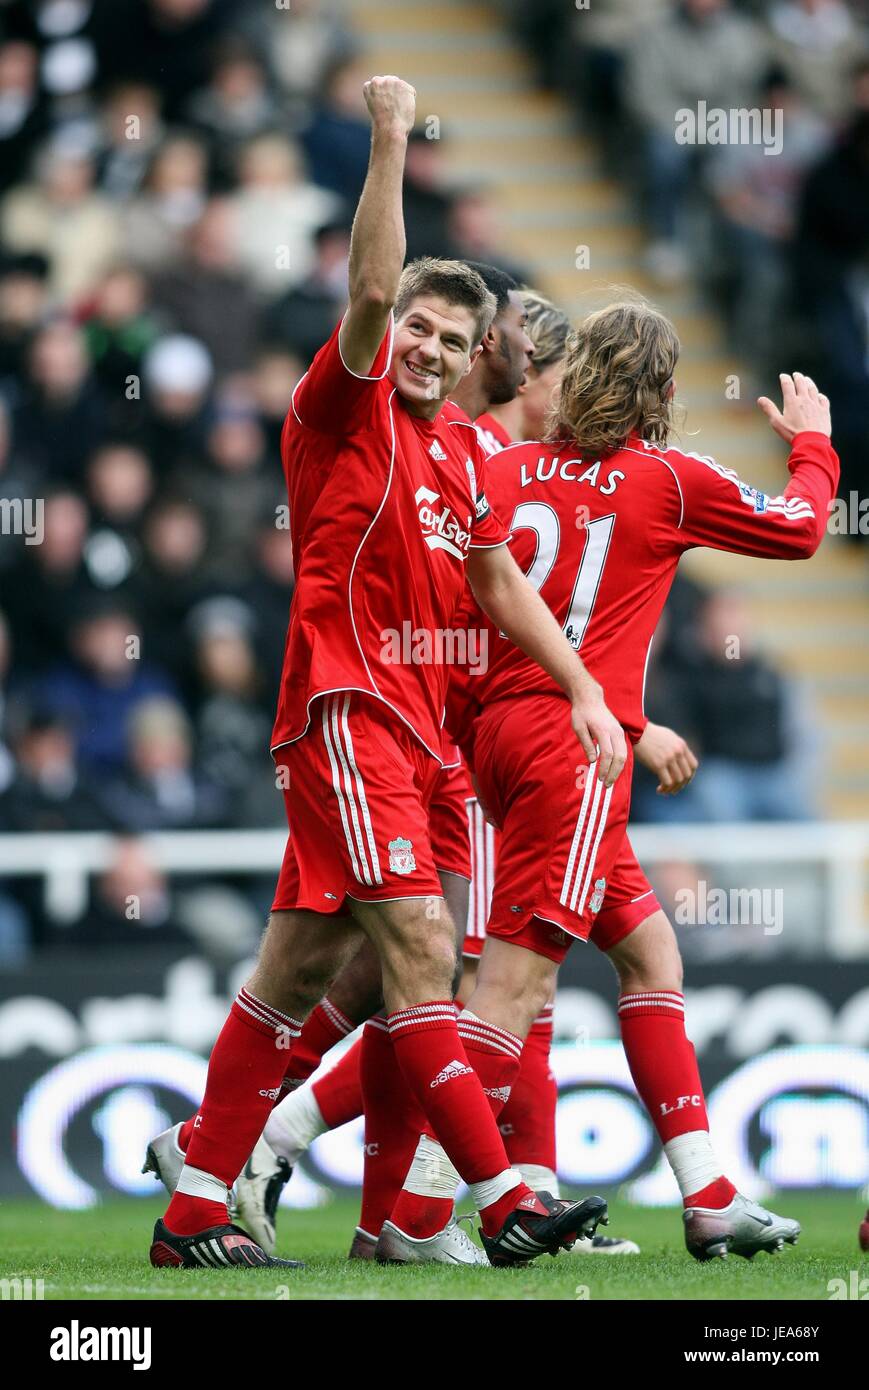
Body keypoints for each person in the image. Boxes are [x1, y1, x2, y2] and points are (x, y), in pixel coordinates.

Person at [148, 75, 625, 1272]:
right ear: (391, 326)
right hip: (344, 708)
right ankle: (503, 1192)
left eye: (450, 341)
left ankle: (196, 1198)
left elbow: (498, 583)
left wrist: (581, 687)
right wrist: (389, 137)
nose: (425, 346)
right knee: (419, 949)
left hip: (420, 739)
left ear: (469, 361)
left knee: (300, 974)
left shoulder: (464, 451)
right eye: (417, 325)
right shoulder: (342, 406)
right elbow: (369, 284)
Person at [381, 302, 838, 1264]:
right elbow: (800, 531)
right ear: (665, 394)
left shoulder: (501, 467)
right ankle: (413, 1218)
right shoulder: (666, 480)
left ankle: (709, 1194)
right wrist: (813, 447)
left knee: (647, 955)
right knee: (514, 985)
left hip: (492, 742)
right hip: (576, 750)